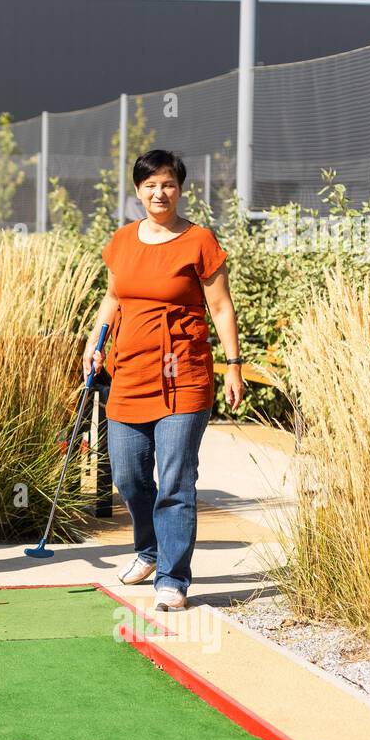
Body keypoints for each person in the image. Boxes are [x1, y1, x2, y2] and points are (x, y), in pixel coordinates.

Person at [86, 150, 245, 612]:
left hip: (184, 378)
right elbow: (113, 298)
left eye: (169, 184)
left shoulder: (199, 241)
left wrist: (234, 364)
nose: (160, 193)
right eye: (151, 185)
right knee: (128, 475)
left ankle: (173, 578)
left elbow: (221, 306)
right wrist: (94, 343)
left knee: (175, 480)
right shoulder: (122, 241)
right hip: (129, 373)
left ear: (180, 189)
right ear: (138, 191)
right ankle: (149, 550)